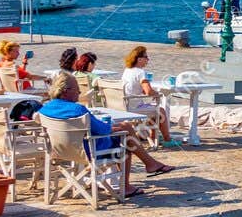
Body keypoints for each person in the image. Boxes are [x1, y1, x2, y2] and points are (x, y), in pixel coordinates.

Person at [37, 72, 173, 178]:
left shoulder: (45, 109)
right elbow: (102, 130)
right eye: (77, 90)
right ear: (66, 91)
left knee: (125, 128)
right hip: (88, 152)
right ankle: (127, 185)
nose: (79, 93)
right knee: (125, 141)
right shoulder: (78, 110)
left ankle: (150, 164)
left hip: (59, 151)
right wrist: (118, 128)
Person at [119, 45, 172, 144]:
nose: (148, 59)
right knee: (161, 111)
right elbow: (148, 91)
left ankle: (152, 136)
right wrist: (157, 94)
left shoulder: (127, 70)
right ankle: (167, 139)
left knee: (153, 110)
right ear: (139, 59)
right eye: (146, 57)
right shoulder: (140, 72)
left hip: (125, 104)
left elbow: (135, 88)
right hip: (135, 107)